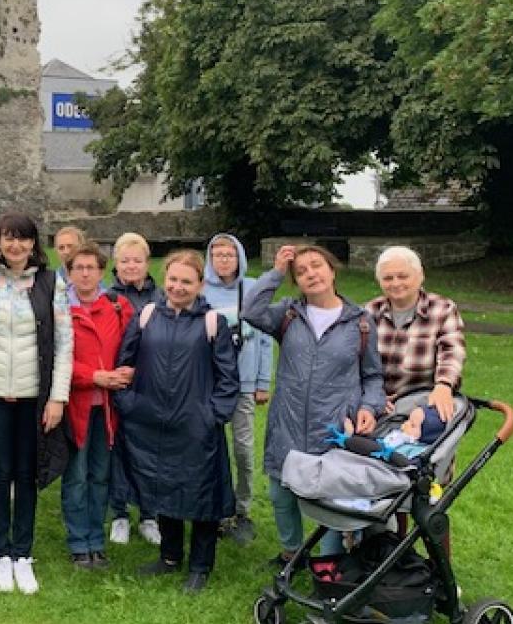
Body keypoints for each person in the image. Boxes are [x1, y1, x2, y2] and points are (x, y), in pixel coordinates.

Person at [242, 244, 385, 567]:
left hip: (334, 428)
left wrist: (369, 407)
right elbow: (250, 311)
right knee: (281, 494)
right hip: (288, 423)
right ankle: (292, 552)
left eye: (316, 266)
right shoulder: (288, 314)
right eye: (301, 271)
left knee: (330, 500)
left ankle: (329, 562)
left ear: (332, 270)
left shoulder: (360, 323)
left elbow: (373, 375)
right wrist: (276, 272)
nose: (311, 274)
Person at [0, 212, 72, 595]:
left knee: (27, 476)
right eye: (8, 238)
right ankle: (0, 553)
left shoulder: (52, 284)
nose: (15, 245)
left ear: (35, 244)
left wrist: (57, 398)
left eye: (23, 239)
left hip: (34, 398)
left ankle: (23, 553)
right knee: (0, 474)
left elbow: (65, 345)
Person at [115, 250, 239, 593]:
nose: (178, 287)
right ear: (164, 279)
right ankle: (169, 557)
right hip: (151, 421)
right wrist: (129, 404)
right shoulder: (147, 315)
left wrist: (212, 415)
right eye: (173, 279)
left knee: (201, 495)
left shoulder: (213, 322)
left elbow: (228, 378)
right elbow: (124, 365)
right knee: (163, 486)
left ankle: (200, 565)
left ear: (200, 284)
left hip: (195, 424)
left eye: (187, 281)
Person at [365, 245, 466, 547]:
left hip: (425, 414)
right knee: (386, 489)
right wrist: (371, 396)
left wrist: (444, 384)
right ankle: (391, 558)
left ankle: (439, 570)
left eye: (403, 276)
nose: (396, 283)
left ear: (420, 276)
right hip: (381, 413)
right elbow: (355, 361)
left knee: (427, 494)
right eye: (388, 278)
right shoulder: (368, 312)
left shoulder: (442, 309)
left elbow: (452, 350)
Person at [62, 242, 134, 570]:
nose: (86, 273)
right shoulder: (60, 309)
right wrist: (95, 376)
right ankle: (79, 543)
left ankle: (97, 540)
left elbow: (133, 348)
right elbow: (56, 361)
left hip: (108, 408)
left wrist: (125, 371)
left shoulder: (117, 307)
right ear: (69, 272)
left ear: (102, 272)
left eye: (91, 267)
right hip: (75, 405)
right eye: (79, 268)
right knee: (76, 475)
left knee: (101, 474)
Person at [202, 233, 273, 546]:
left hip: (243, 382)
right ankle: (213, 506)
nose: (223, 260)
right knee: (210, 449)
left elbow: (265, 336)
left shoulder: (253, 287)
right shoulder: (201, 290)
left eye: (229, 254)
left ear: (240, 257)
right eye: (217, 255)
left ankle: (242, 508)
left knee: (243, 450)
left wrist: (262, 382)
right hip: (209, 383)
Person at [105, 231, 163, 545]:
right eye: (125, 260)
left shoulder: (162, 297)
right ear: (116, 263)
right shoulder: (108, 296)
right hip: (120, 382)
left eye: (137, 260)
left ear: (146, 262)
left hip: (154, 383)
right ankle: (119, 514)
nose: (131, 266)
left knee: (151, 451)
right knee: (121, 450)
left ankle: (150, 515)